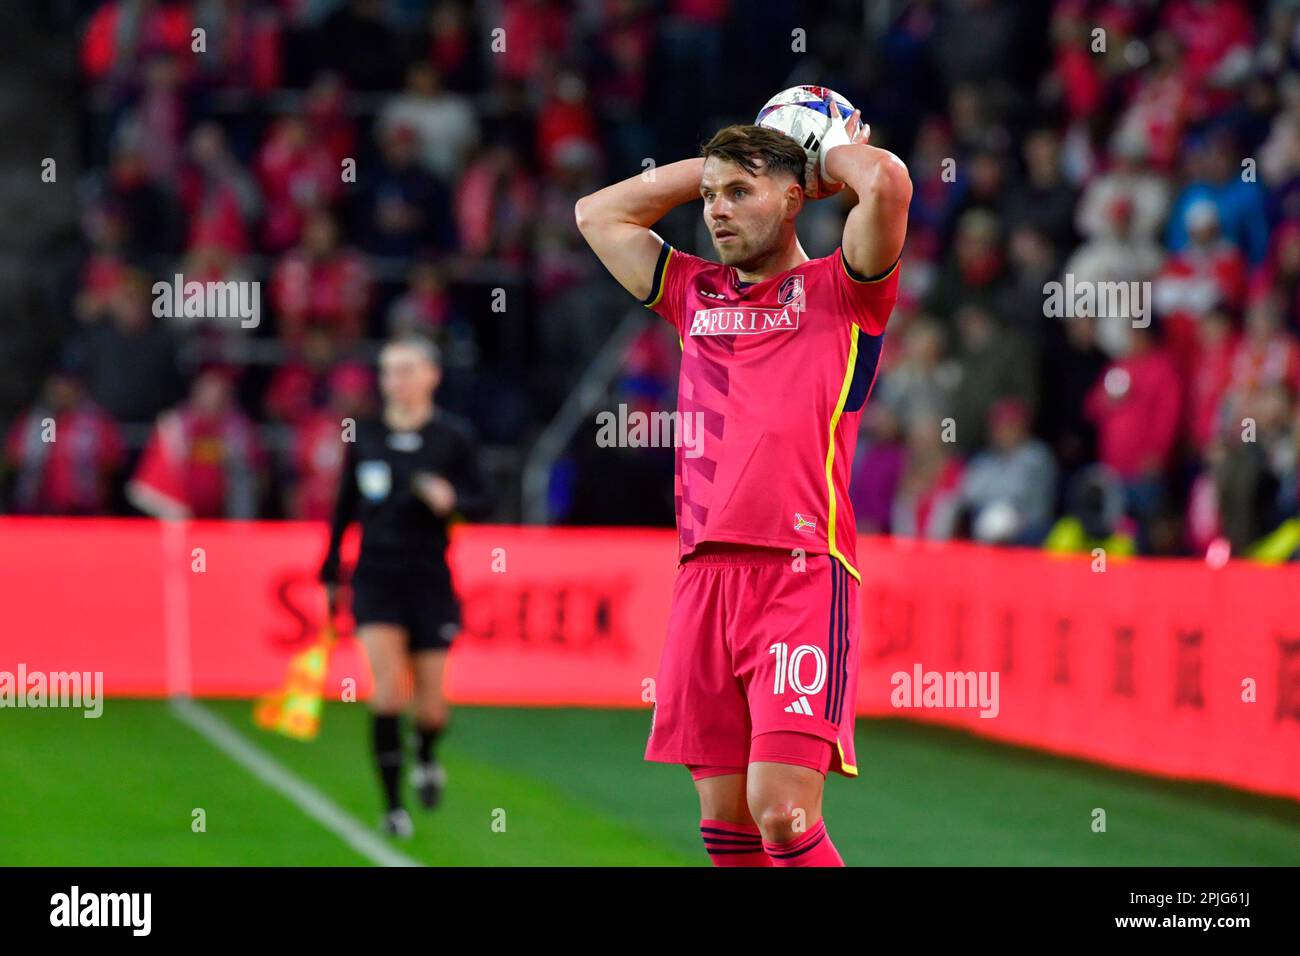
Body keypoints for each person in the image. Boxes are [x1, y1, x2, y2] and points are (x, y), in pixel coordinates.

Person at [575, 102, 910, 866]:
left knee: (783, 813)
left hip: (800, 574)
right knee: (726, 825)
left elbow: (887, 183)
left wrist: (820, 159)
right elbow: (596, 214)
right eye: (710, 198)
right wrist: (726, 164)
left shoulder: (844, 290)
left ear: (795, 196)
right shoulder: (695, 293)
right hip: (702, 578)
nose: (717, 211)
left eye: (740, 192)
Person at [319, 335, 492, 837]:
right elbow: (343, 508)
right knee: (390, 689)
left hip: (429, 578)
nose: (394, 380)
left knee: (432, 705)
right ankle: (393, 807)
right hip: (376, 576)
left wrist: (451, 498)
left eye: (406, 369)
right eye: (389, 370)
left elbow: (483, 500)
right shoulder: (365, 435)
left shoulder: (451, 439)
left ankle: (427, 752)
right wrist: (331, 570)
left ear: (431, 376)